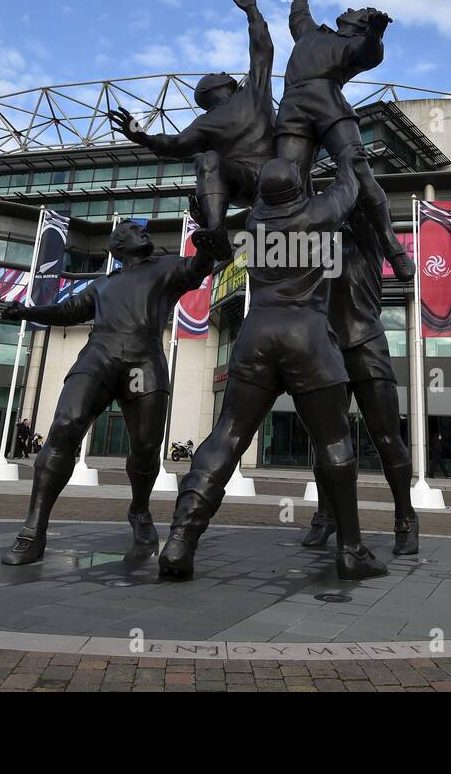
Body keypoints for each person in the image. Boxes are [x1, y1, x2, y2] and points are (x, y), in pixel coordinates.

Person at [159, 145, 387, 582]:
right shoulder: (319, 213)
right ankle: (352, 550)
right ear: (301, 187)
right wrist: (344, 154)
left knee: (227, 435)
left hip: (256, 333)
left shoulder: (255, 220)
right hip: (308, 335)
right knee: (334, 441)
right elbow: (350, 186)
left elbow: (245, 183)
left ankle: (181, 540)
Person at [0, 221, 216, 564]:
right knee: (66, 425)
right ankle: (33, 529)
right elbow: (68, 310)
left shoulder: (166, 267)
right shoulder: (102, 285)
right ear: (117, 246)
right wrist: (29, 311)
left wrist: (206, 246)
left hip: (143, 361)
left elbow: (198, 268)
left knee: (146, 447)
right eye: (131, 229)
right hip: (99, 355)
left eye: (141, 229)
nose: (142, 231)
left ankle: (140, 511)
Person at [107, 0, 274, 260]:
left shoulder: (254, 91)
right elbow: (174, 144)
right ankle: (217, 233)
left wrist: (252, 13)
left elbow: (262, 50)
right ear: (211, 89)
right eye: (219, 74)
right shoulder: (205, 123)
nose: (224, 73)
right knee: (206, 159)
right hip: (245, 181)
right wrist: (141, 136)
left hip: (277, 170)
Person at [274, 0, 414, 281]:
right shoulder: (310, 34)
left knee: (357, 167)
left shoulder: (353, 45)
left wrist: (376, 34)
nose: (350, 8)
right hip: (293, 106)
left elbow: (369, 53)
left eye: (358, 10)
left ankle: (391, 245)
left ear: (360, 22)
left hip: (328, 103)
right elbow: (298, 12)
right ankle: (293, 255)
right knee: (287, 180)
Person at [302, 204, 418, 555]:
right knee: (327, 442)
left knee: (386, 437)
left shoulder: (366, 239)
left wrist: (346, 159)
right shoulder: (315, 250)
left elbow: (369, 197)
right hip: (327, 349)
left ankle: (406, 517)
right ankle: (326, 515)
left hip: (366, 344)